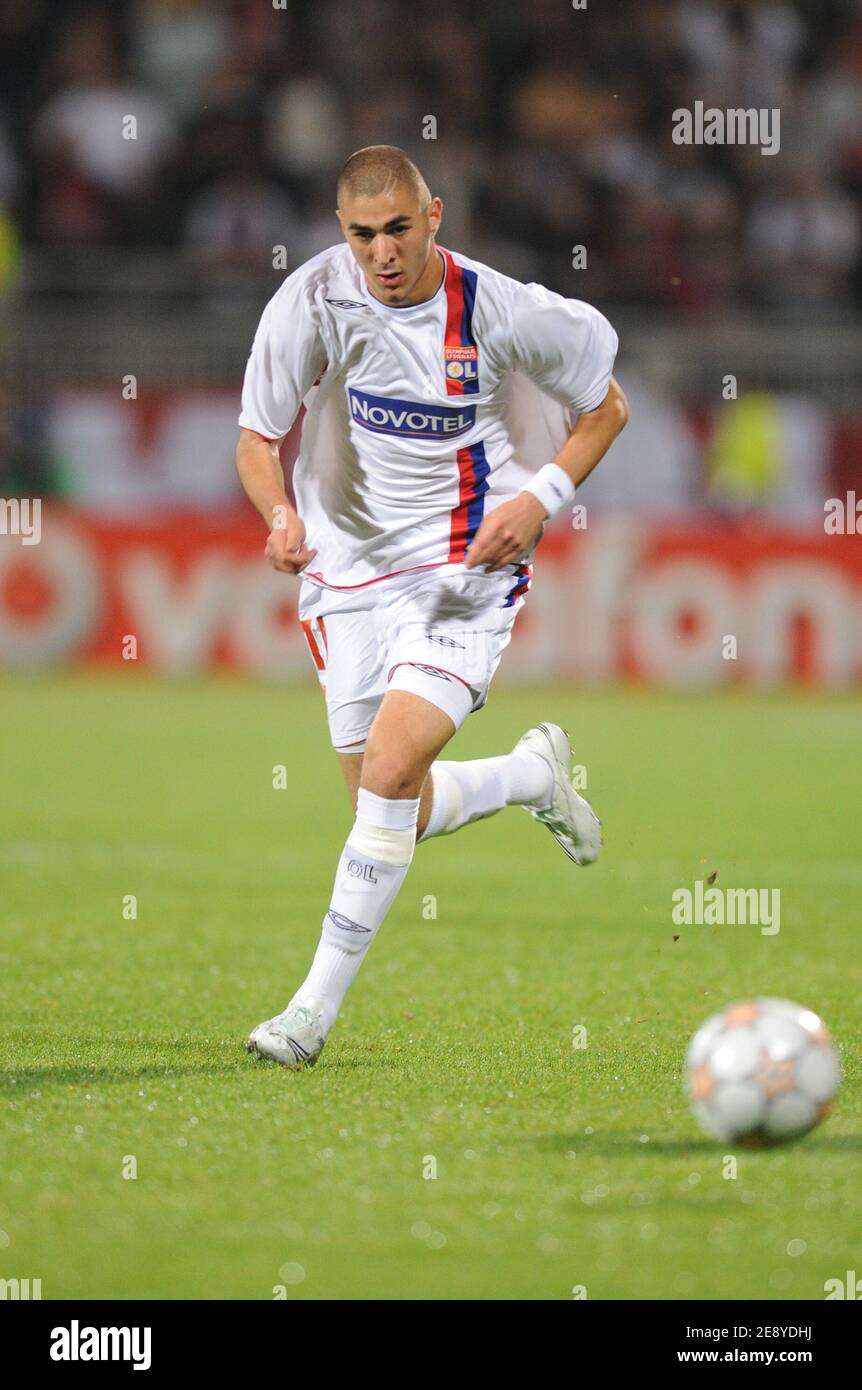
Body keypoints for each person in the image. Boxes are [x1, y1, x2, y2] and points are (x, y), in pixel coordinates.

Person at [235, 145, 629, 1067]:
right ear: (343, 233)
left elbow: (604, 406)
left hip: (463, 570)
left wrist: (538, 504)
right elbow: (258, 436)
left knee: (389, 768)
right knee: (393, 808)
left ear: (435, 217)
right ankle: (532, 777)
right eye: (363, 234)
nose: (382, 252)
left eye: (399, 229)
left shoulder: (501, 308)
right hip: (344, 570)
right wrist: (280, 513)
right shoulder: (311, 300)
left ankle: (307, 1018)